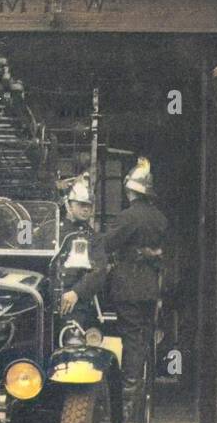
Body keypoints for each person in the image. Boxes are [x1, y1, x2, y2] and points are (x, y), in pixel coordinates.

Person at [71, 158, 167, 408]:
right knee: (142, 339)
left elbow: (106, 243)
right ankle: (138, 393)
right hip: (149, 287)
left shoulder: (128, 216)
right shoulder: (159, 217)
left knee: (130, 338)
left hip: (129, 287)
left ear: (130, 190)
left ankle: (127, 397)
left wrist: (89, 240)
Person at [57, 174, 103, 327]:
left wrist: (76, 292)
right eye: (81, 204)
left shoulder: (92, 237)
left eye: (89, 205)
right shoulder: (51, 229)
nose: (86, 209)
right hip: (45, 301)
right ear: (69, 205)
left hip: (75, 304)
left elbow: (99, 270)